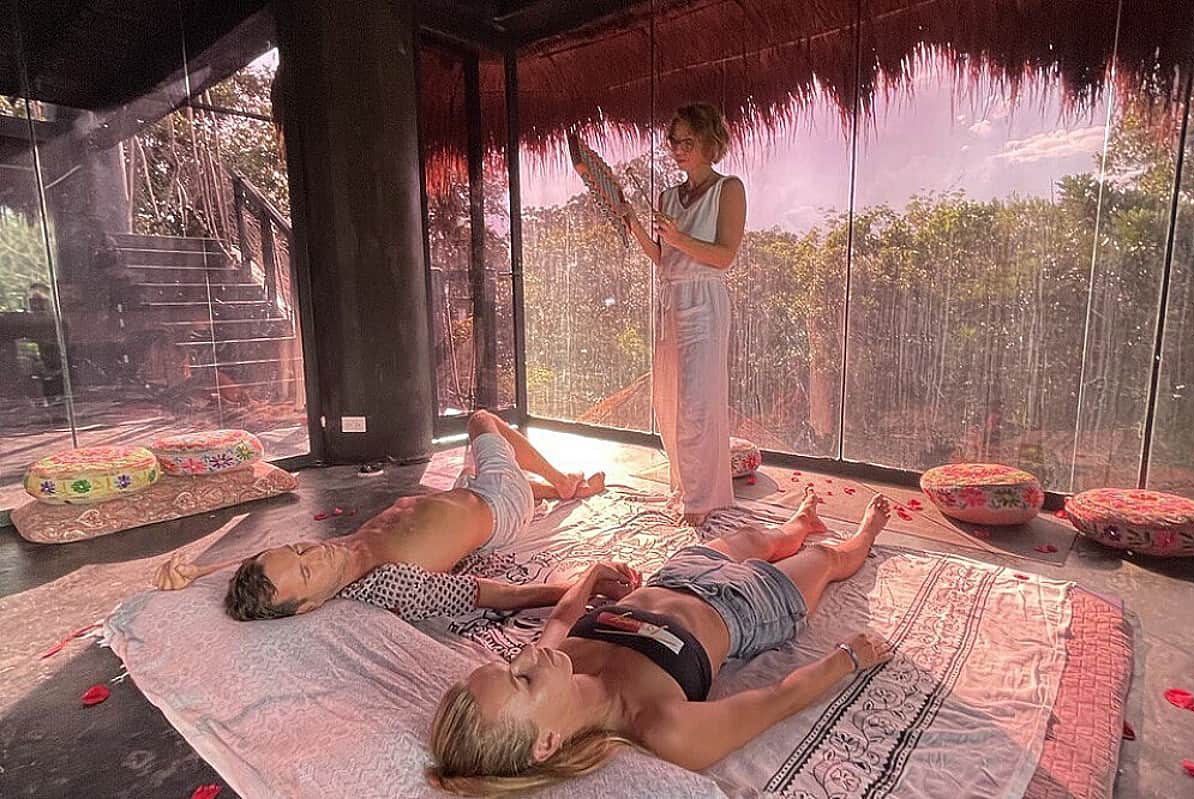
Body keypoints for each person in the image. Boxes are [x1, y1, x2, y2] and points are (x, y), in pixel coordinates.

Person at [427, 488, 894, 795]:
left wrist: (592, 576)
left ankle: (794, 524)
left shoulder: (558, 658)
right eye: (522, 680)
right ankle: (865, 533)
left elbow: (565, 613)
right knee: (826, 558)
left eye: (511, 664)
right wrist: (847, 659)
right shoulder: (657, 724)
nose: (526, 654)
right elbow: (775, 700)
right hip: (747, 607)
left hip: (677, 574)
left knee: (756, 536)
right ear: (546, 742)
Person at [153, 410, 617, 622]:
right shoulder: (389, 583)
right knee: (480, 421)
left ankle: (549, 489)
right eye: (308, 567)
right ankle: (558, 483)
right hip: (499, 505)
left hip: (462, 495)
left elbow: (263, 566)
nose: (312, 550)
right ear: (312, 605)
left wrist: (198, 570)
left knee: (470, 464)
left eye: (298, 547)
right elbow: (493, 594)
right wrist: (584, 588)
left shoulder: (328, 558)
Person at [623, 102, 747, 527]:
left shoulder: (728, 189)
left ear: (711, 143)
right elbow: (664, 258)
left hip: (705, 300)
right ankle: (685, 486)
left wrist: (680, 235)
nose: (677, 148)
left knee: (699, 402)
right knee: (669, 400)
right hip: (671, 300)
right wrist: (635, 225)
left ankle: (704, 502)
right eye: (673, 141)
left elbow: (724, 256)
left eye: (687, 141)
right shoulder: (667, 197)